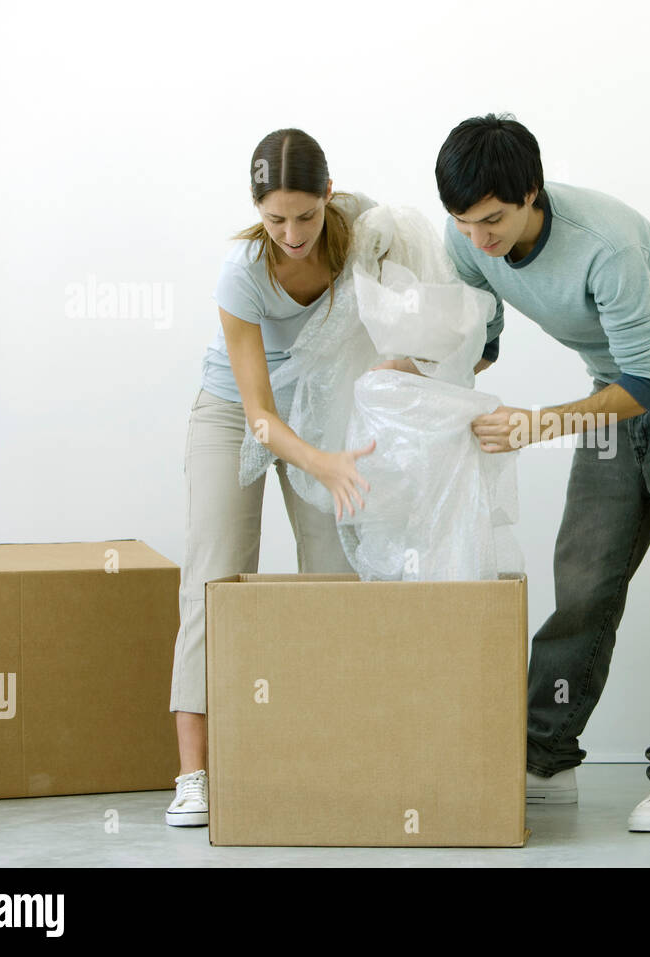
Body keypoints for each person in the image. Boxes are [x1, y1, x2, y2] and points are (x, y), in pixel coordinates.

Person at [436, 114, 650, 832]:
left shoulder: (602, 247)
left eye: (493, 221)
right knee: (583, 582)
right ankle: (545, 758)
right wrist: (416, 372)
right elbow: (481, 341)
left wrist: (538, 423)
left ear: (531, 193)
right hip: (614, 388)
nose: (479, 239)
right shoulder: (466, 237)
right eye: (464, 222)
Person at [166, 129, 379, 827]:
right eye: (274, 218)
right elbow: (259, 414)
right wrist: (322, 462)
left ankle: (336, 751)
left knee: (336, 573)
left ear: (329, 195)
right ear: (255, 210)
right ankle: (194, 774)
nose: (291, 233)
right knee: (215, 575)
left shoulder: (364, 229)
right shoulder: (241, 271)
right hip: (236, 410)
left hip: (317, 403)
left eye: (305, 216)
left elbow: (421, 301)